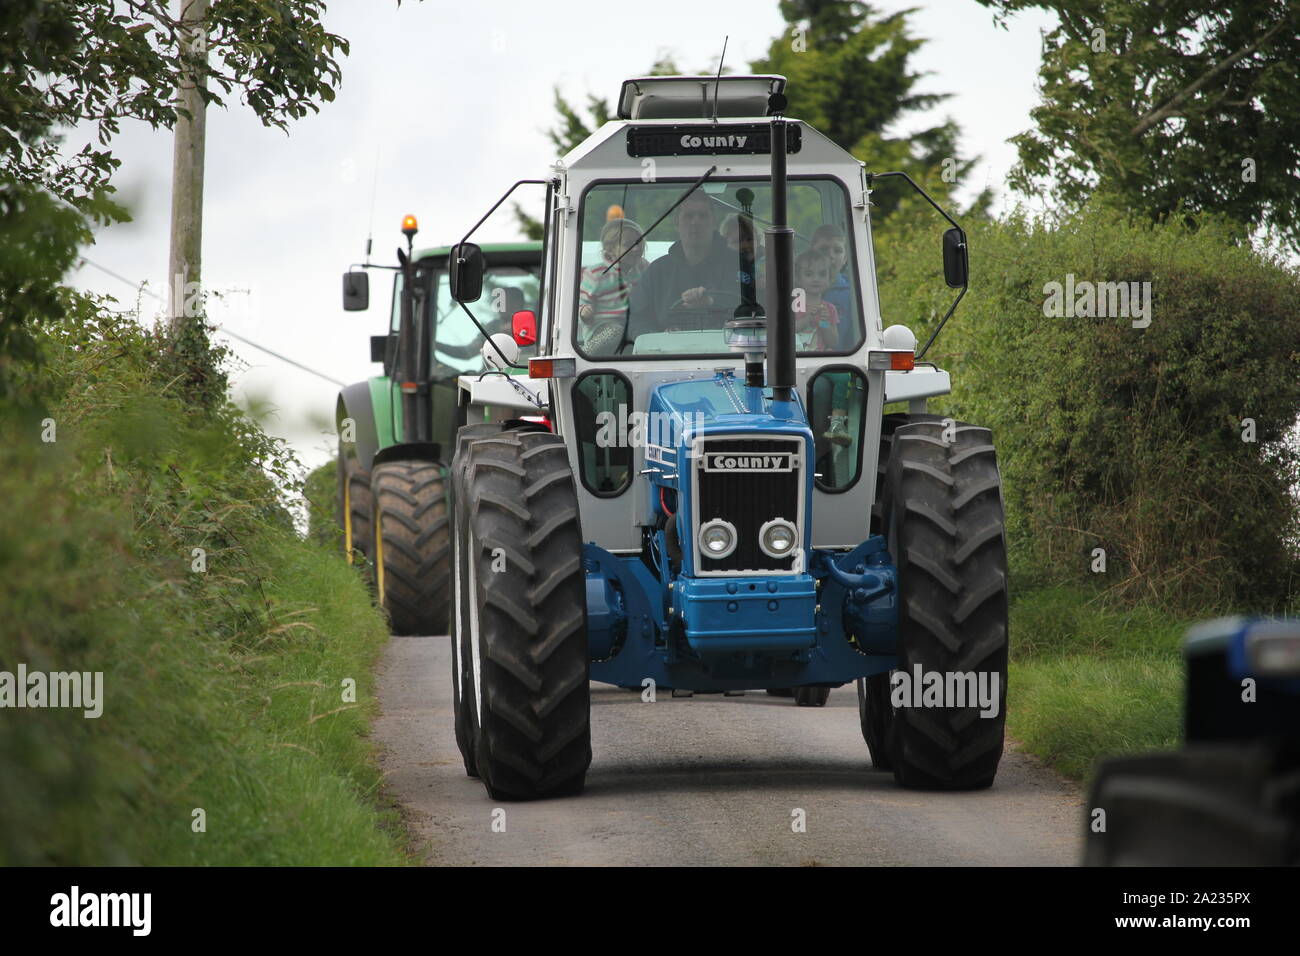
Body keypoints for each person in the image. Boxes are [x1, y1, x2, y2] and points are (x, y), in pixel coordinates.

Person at [625, 190, 737, 347]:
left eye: (702, 216)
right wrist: (657, 339)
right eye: (689, 216)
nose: (695, 222)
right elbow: (636, 318)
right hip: (668, 360)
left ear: (714, 222)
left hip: (731, 359)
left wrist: (711, 302)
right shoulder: (657, 272)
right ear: (676, 222)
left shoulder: (738, 265)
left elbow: (754, 309)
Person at [578, 218, 646, 353]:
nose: (636, 248)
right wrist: (584, 311)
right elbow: (581, 303)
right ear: (610, 249)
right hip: (603, 328)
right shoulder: (596, 274)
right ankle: (586, 351)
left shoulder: (644, 269)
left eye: (639, 243)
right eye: (629, 244)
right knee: (616, 331)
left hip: (634, 327)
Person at [811, 224, 854, 349]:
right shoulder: (798, 290)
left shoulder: (852, 293)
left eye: (838, 250)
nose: (830, 255)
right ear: (812, 251)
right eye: (824, 249)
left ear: (845, 258)